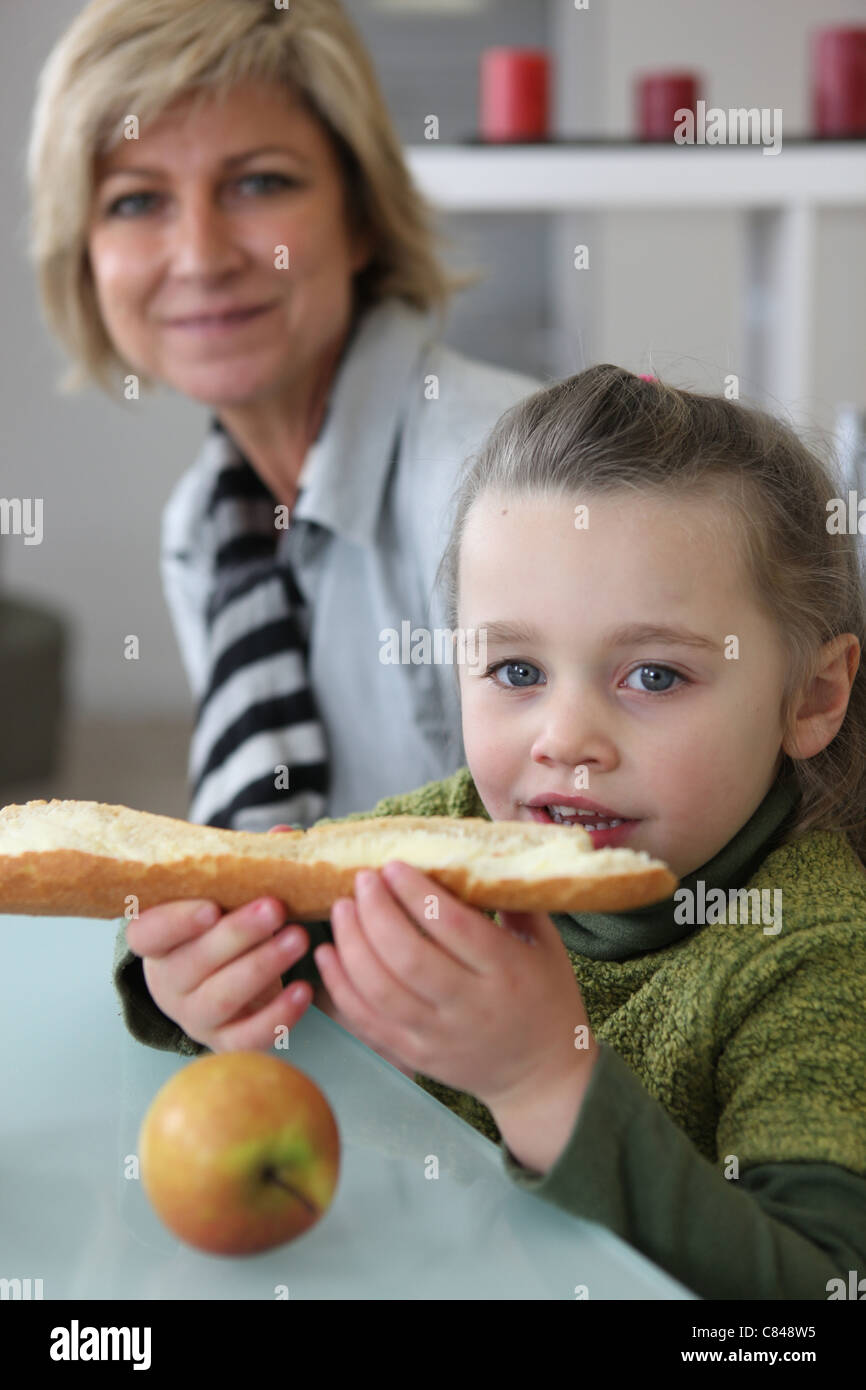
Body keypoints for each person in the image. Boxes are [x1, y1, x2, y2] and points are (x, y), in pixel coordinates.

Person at [114, 364, 866, 1299]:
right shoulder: (447, 834)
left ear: (814, 696)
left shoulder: (817, 956)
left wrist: (545, 1084)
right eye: (516, 672)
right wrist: (184, 973)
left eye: (655, 677)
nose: (566, 741)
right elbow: (238, 892)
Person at [27, 0, 541, 830]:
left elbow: (618, 883)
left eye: (260, 183)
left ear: (363, 215)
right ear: (83, 254)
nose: (201, 256)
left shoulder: (508, 477)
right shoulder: (203, 524)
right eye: (134, 201)